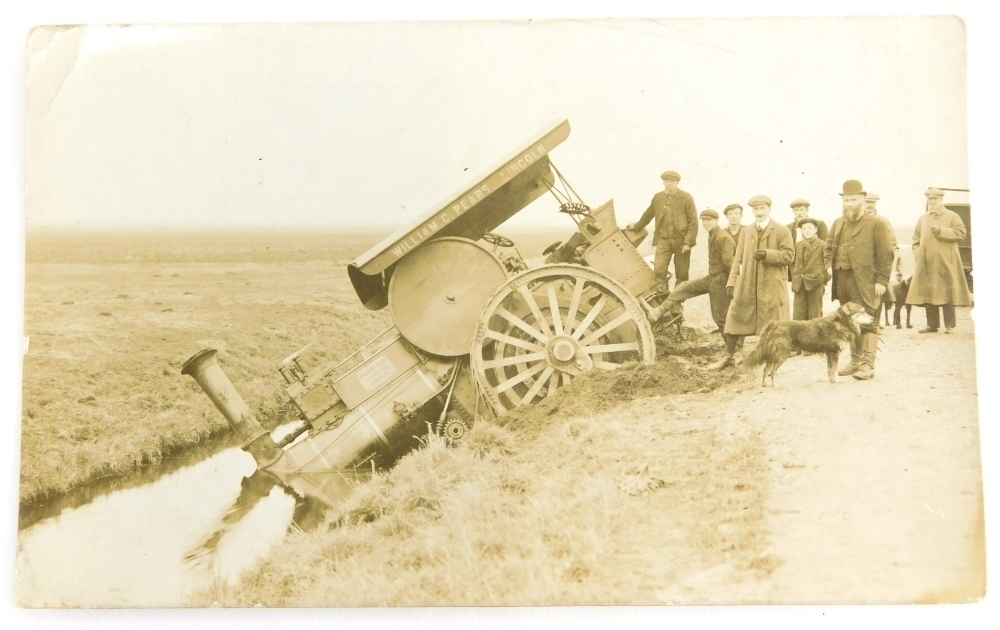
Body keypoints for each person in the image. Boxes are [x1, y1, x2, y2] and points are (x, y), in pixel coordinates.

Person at [709, 195, 794, 370]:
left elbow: (789, 256)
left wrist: (768, 254)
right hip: (748, 283)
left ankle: (771, 358)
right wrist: (732, 281)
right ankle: (729, 356)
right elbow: (738, 258)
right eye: (756, 209)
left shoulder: (782, 231)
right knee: (734, 316)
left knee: (773, 323)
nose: (759, 212)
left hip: (772, 285)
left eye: (762, 208)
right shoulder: (746, 232)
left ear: (769, 209)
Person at [824, 180, 894, 380]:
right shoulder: (838, 223)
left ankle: (868, 366)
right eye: (846, 200)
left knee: (868, 321)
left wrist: (881, 281)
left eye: (853, 200)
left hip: (865, 281)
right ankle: (855, 362)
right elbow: (828, 247)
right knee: (850, 321)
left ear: (862, 199)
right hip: (842, 279)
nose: (849, 204)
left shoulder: (876, 224)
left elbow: (885, 254)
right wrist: (828, 265)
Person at [645, 209, 736, 340]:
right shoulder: (712, 234)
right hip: (712, 278)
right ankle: (658, 311)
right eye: (704, 220)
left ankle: (733, 349)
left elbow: (730, 264)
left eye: (709, 220)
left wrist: (732, 285)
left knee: (720, 318)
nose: (706, 223)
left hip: (721, 281)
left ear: (716, 220)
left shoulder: (723, 237)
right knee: (683, 287)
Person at [905, 188, 972, 333]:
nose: (933, 202)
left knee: (947, 293)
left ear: (941, 199)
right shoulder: (923, 218)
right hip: (927, 263)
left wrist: (942, 231)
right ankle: (932, 324)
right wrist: (918, 255)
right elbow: (916, 240)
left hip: (946, 262)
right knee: (929, 293)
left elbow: (961, 233)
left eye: (935, 199)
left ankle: (950, 325)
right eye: (930, 199)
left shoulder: (952, 216)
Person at [627, 170, 698, 290]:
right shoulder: (658, 197)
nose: (670, 183)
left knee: (682, 274)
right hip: (663, 240)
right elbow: (648, 214)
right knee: (659, 271)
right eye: (667, 181)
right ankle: (662, 297)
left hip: (681, 242)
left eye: (672, 181)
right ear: (663, 182)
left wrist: (688, 242)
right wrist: (637, 226)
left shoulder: (686, 197)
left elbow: (693, 221)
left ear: (677, 182)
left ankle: (678, 300)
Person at [790, 218, 830, 321]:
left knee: (815, 315)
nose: (807, 231)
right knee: (798, 315)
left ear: (815, 229)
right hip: (799, 285)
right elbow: (792, 263)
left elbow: (828, 264)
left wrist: (822, 278)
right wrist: (795, 274)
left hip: (815, 285)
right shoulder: (797, 245)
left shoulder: (823, 245)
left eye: (809, 228)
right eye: (804, 229)